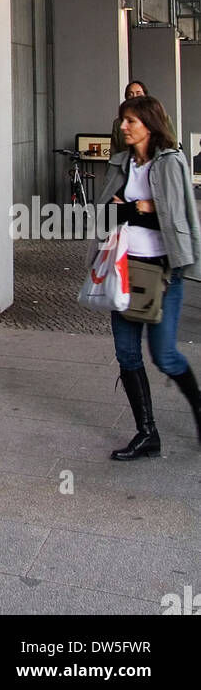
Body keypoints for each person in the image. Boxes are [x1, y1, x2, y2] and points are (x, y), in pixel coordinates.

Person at [98, 94, 201, 459]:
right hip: (124, 270)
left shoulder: (170, 162)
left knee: (165, 356)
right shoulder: (121, 162)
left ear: (149, 125)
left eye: (131, 121)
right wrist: (139, 208)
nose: (124, 126)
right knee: (126, 355)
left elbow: (175, 218)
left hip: (163, 272)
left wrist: (134, 209)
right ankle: (147, 433)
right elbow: (105, 212)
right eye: (123, 120)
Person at [109, 81, 176, 157]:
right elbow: (114, 153)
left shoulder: (162, 118)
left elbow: (172, 145)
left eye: (138, 93)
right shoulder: (118, 123)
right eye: (130, 94)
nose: (134, 97)